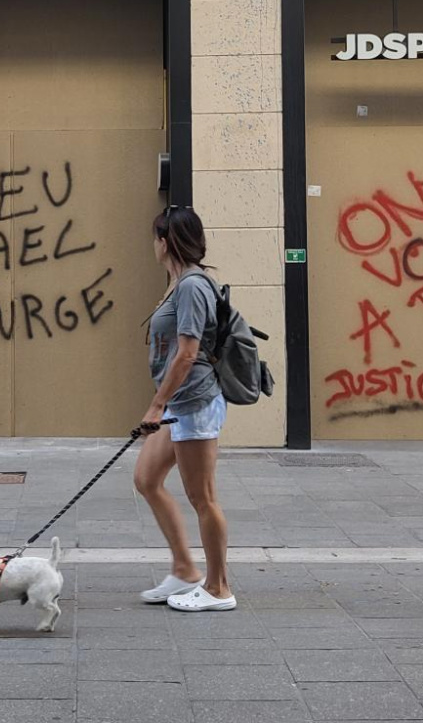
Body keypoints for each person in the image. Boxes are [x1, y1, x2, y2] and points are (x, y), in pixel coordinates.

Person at [131, 205, 235, 612]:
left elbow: (188, 353)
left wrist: (156, 405)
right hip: (179, 403)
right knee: (146, 477)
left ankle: (218, 588)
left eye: (156, 237)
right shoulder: (178, 284)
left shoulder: (192, 286)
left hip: (194, 402)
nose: (152, 245)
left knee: (203, 497)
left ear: (166, 241)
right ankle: (184, 569)